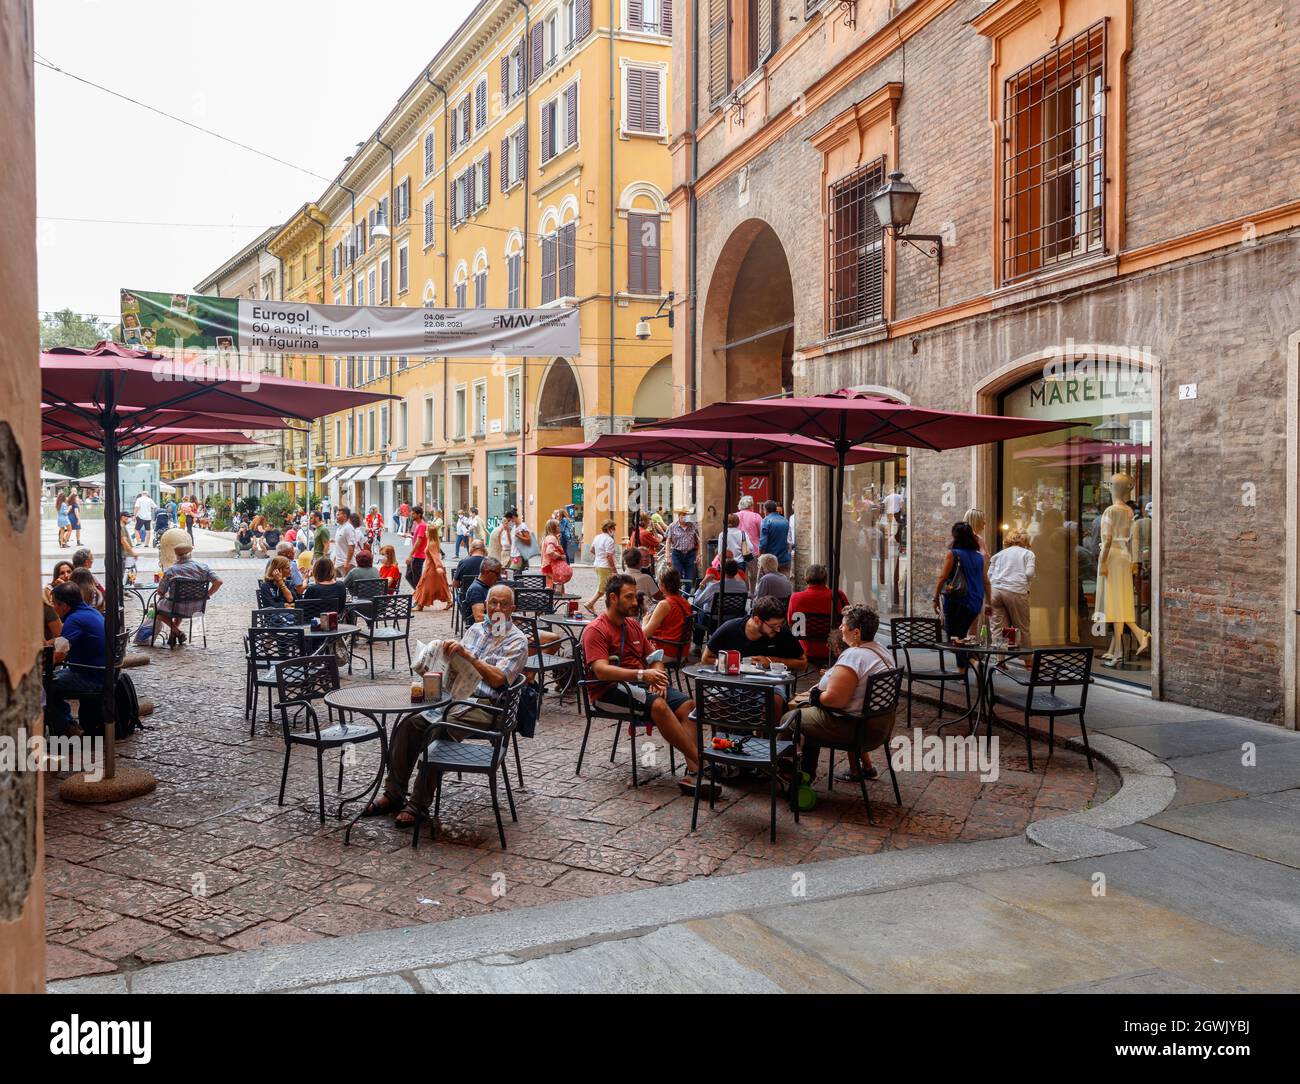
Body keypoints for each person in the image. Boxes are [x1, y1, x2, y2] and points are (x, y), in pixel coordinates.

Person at [363, 583, 531, 826]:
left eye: (503, 604)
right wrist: (442, 656)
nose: (496, 607)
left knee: (438, 729)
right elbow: (458, 665)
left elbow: (497, 679)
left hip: (488, 707)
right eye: (492, 602)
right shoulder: (475, 629)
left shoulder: (517, 641)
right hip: (457, 696)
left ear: (512, 608)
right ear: (485, 603)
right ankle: (394, 793)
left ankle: (418, 804)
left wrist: (469, 657)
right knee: (409, 725)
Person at [581, 574, 716, 798]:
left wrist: (659, 675)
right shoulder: (596, 630)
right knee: (660, 707)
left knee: (689, 706)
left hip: (641, 684)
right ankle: (702, 763)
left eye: (636, 596)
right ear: (612, 598)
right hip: (609, 691)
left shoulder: (633, 626)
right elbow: (601, 671)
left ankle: (693, 771)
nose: (635, 602)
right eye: (629, 597)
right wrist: (643, 675)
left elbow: (654, 656)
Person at [782, 605, 894, 783]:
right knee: (807, 717)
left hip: (855, 727)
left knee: (790, 718)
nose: (840, 628)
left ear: (856, 632)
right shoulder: (881, 650)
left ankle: (792, 775)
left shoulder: (855, 656)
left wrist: (815, 696)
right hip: (880, 725)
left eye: (843, 625)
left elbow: (835, 700)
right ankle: (806, 772)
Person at [46, 582, 107, 737]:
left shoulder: (73, 621)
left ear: (65, 605)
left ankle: (67, 729)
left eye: (55, 604)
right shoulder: (92, 612)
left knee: (44, 685)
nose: (53, 607)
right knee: (50, 679)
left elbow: (58, 656)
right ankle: (69, 724)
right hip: (101, 672)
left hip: (90, 677)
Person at [933, 521, 992, 671]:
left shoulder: (953, 554)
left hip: (956, 600)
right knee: (960, 636)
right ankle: (963, 669)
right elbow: (986, 581)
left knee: (953, 638)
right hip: (975, 602)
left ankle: (972, 662)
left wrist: (935, 598)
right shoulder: (979, 557)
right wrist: (988, 602)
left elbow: (942, 577)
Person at [702, 596, 808, 679]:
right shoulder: (730, 628)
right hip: (732, 680)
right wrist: (737, 664)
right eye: (773, 625)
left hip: (770, 682)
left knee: (775, 699)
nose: (778, 629)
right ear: (757, 620)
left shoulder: (783, 632)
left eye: (780, 624)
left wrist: (771, 661)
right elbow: (705, 659)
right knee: (716, 701)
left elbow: (803, 663)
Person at [155, 540, 222, 646]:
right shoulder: (204, 567)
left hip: (176, 607)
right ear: (190, 554)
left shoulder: (171, 571)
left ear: (176, 555)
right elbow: (218, 581)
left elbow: (160, 591)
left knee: (157, 611)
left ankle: (177, 632)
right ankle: (173, 635)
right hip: (196, 608)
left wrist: (165, 594)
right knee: (180, 601)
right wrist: (207, 595)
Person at [787, 564, 849, 666]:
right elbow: (849, 620)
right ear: (825, 579)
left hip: (805, 649)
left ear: (806, 578)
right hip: (834, 649)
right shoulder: (837, 596)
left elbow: (791, 624)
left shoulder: (795, 598)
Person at [988, 529, 1035, 657]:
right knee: (1022, 627)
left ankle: (1000, 660)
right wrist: (1026, 584)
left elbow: (989, 574)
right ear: (1025, 540)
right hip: (1016, 591)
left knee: (998, 627)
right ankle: (1028, 661)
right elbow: (1029, 573)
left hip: (995, 591)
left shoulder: (998, 555)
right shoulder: (1028, 554)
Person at [642, 567, 694, 658]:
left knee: (631, 648)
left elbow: (646, 634)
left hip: (667, 652)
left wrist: (645, 620)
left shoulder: (664, 604)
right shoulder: (686, 602)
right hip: (682, 651)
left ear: (662, 586)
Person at [414, 518, 453, 611]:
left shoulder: (432, 543)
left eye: (427, 531)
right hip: (431, 567)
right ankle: (449, 601)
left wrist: (438, 567)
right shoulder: (432, 542)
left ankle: (420, 605)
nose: (425, 532)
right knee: (440, 585)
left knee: (425, 586)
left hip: (432, 568)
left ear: (430, 533)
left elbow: (436, 556)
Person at [584, 519, 618, 613]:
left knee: (607, 587)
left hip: (598, 564)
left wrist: (599, 555)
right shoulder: (609, 540)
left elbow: (591, 549)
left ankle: (610, 607)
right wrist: (614, 570)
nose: (614, 530)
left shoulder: (597, 537)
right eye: (613, 528)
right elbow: (609, 555)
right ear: (610, 528)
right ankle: (590, 603)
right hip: (605, 566)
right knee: (603, 588)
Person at [460, 556, 503, 627]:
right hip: (482, 630)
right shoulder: (476, 589)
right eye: (497, 574)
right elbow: (479, 617)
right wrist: (502, 618)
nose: (499, 577)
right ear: (487, 572)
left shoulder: (484, 586)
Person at [665, 507, 700, 585]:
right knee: (676, 577)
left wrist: (698, 555)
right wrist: (668, 557)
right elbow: (668, 541)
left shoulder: (693, 525)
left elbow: (698, 541)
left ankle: (685, 596)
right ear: (679, 516)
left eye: (687, 515)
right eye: (683, 515)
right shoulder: (672, 526)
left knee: (689, 578)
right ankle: (678, 595)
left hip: (690, 554)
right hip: (677, 554)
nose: (685, 517)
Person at [622, 546, 661, 617]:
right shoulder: (646, 578)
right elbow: (658, 597)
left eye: (647, 557)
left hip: (625, 613)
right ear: (640, 561)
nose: (645, 559)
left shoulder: (621, 576)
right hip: (642, 614)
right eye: (643, 557)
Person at [759, 499, 792, 575]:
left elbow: (763, 544)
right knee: (783, 583)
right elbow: (789, 541)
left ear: (765, 510)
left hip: (770, 561)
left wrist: (760, 558)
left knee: (768, 584)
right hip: (784, 559)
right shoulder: (785, 520)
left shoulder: (766, 521)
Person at [735, 495, 762, 582]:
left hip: (737, 549)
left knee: (740, 574)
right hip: (753, 550)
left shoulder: (734, 516)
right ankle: (753, 593)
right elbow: (762, 533)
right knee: (753, 575)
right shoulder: (756, 516)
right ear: (751, 505)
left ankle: (743, 592)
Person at [541, 518, 567, 589]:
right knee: (554, 588)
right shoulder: (552, 538)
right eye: (558, 526)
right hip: (551, 567)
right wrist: (560, 557)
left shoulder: (548, 537)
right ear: (553, 528)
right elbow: (549, 551)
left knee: (550, 587)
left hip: (547, 566)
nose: (560, 527)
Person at [406, 505, 428, 587]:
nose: (411, 515)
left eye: (413, 514)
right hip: (416, 554)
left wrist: (410, 555)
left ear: (419, 515)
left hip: (419, 555)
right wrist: (409, 536)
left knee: (416, 579)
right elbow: (418, 538)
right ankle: (420, 594)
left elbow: (418, 542)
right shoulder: (417, 524)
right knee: (408, 576)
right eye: (411, 514)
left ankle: (420, 595)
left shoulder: (422, 525)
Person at [331, 506, 357, 574]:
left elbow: (351, 546)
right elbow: (338, 546)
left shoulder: (348, 528)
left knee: (346, 584)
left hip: (346, 564)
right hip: (338, 563)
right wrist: (335, 559)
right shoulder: (339, 528)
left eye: (338, 515)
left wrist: (347, 562)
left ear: (345, 516)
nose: (336, 516)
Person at [118, 512, 137, 578]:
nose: (129, 519)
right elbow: (124, 541)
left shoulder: (121, 526)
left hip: (123, 554)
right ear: (122, 517)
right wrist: (133, 553)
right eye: (128, 517)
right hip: (123, 554)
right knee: (123, 575)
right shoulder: (122, 527)